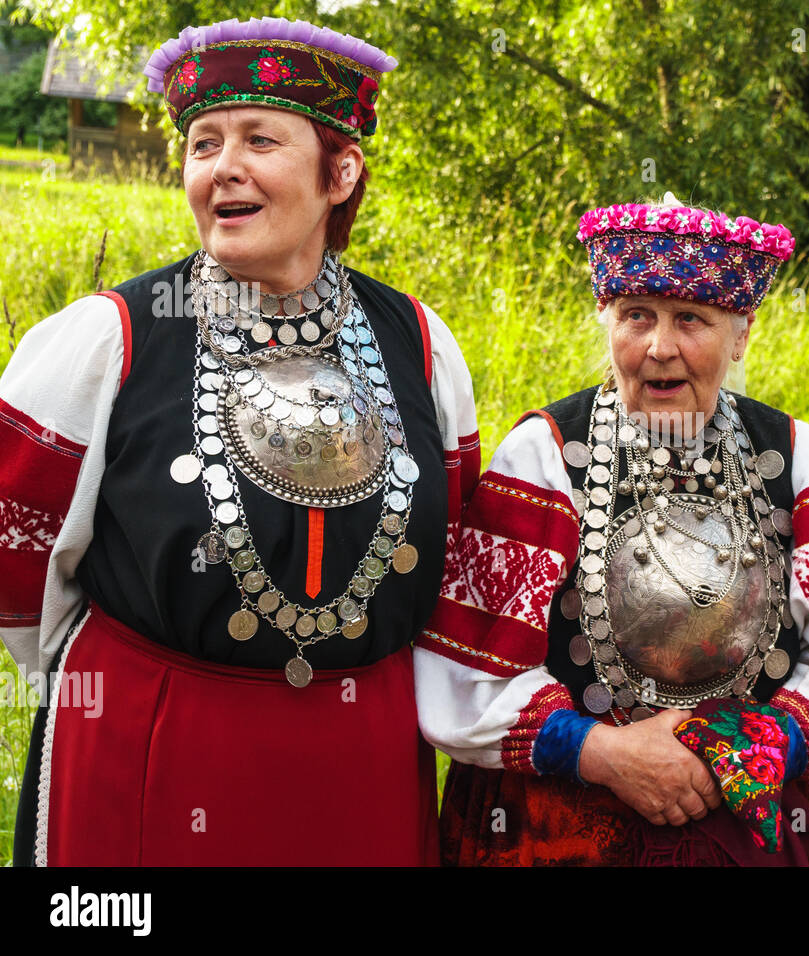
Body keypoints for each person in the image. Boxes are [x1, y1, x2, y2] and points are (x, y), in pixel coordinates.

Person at [0, 16, 478, 865]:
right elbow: (15, 563)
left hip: (361, 768)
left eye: (260, 140)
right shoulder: (109, 340)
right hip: (153, 756)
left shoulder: (422, 343)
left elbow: (456, 547)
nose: (223, 168)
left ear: (342, 172)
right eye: (202, 144)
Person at [415, 197, 809, 865]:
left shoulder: (798, 458)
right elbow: (466, 676)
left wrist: (734, 756)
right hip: (557, 828)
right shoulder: (544, 455)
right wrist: (603, 753)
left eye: (690, 320)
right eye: (635, 315)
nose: (659, 347)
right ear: (605, 321)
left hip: (733, 822)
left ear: (741, 333)